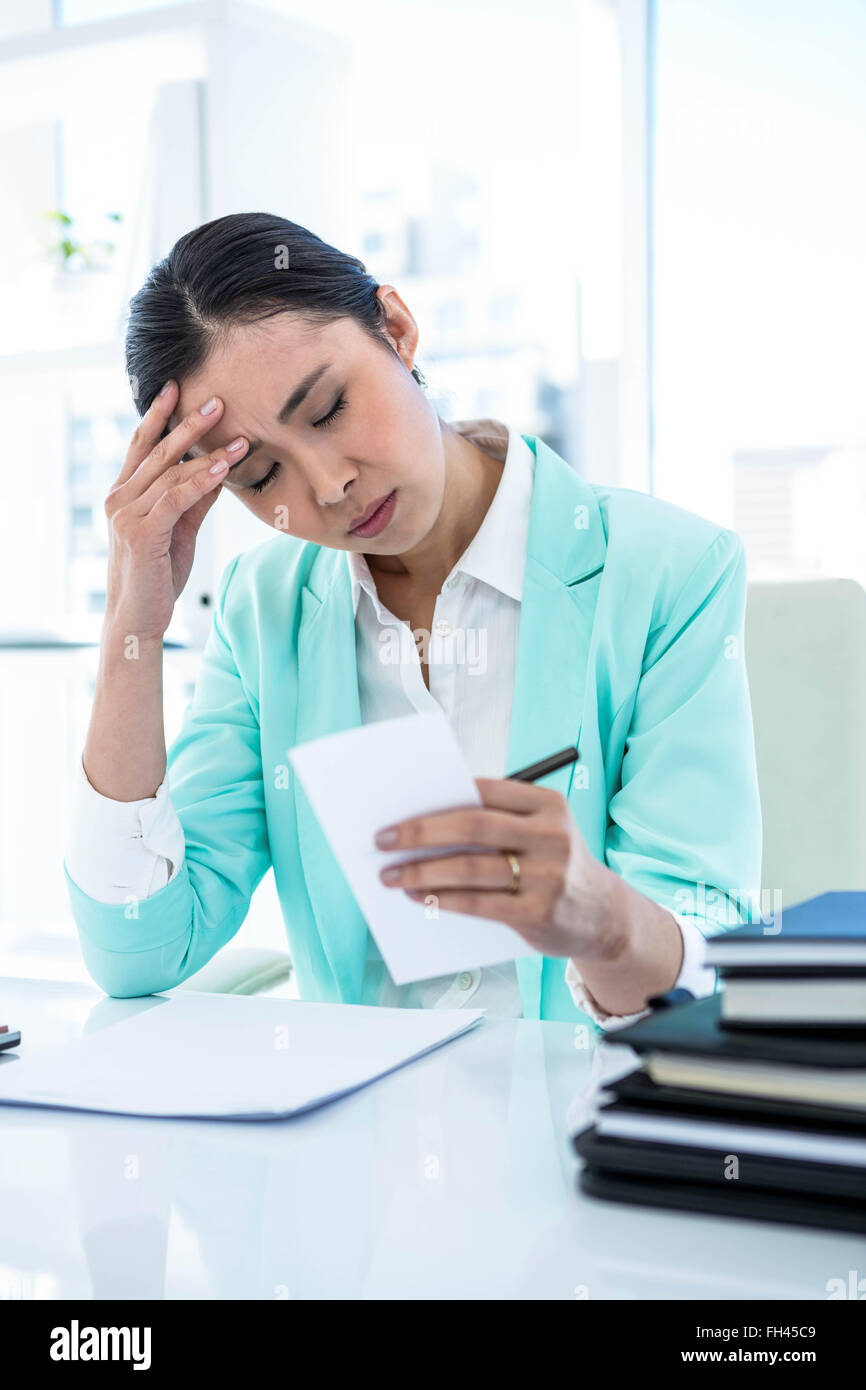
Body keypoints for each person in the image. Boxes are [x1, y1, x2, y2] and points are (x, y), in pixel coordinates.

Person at [64, 212, 762, 1025]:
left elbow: (705, 972)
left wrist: (598, 919)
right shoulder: (265, 610)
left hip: (582, 1127)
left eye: (327, 410)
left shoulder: (668, 572)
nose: (327, 486)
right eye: (259, 476)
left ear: (396, 330)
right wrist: (133, 622)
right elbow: (138, 950)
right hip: (352, 1132)